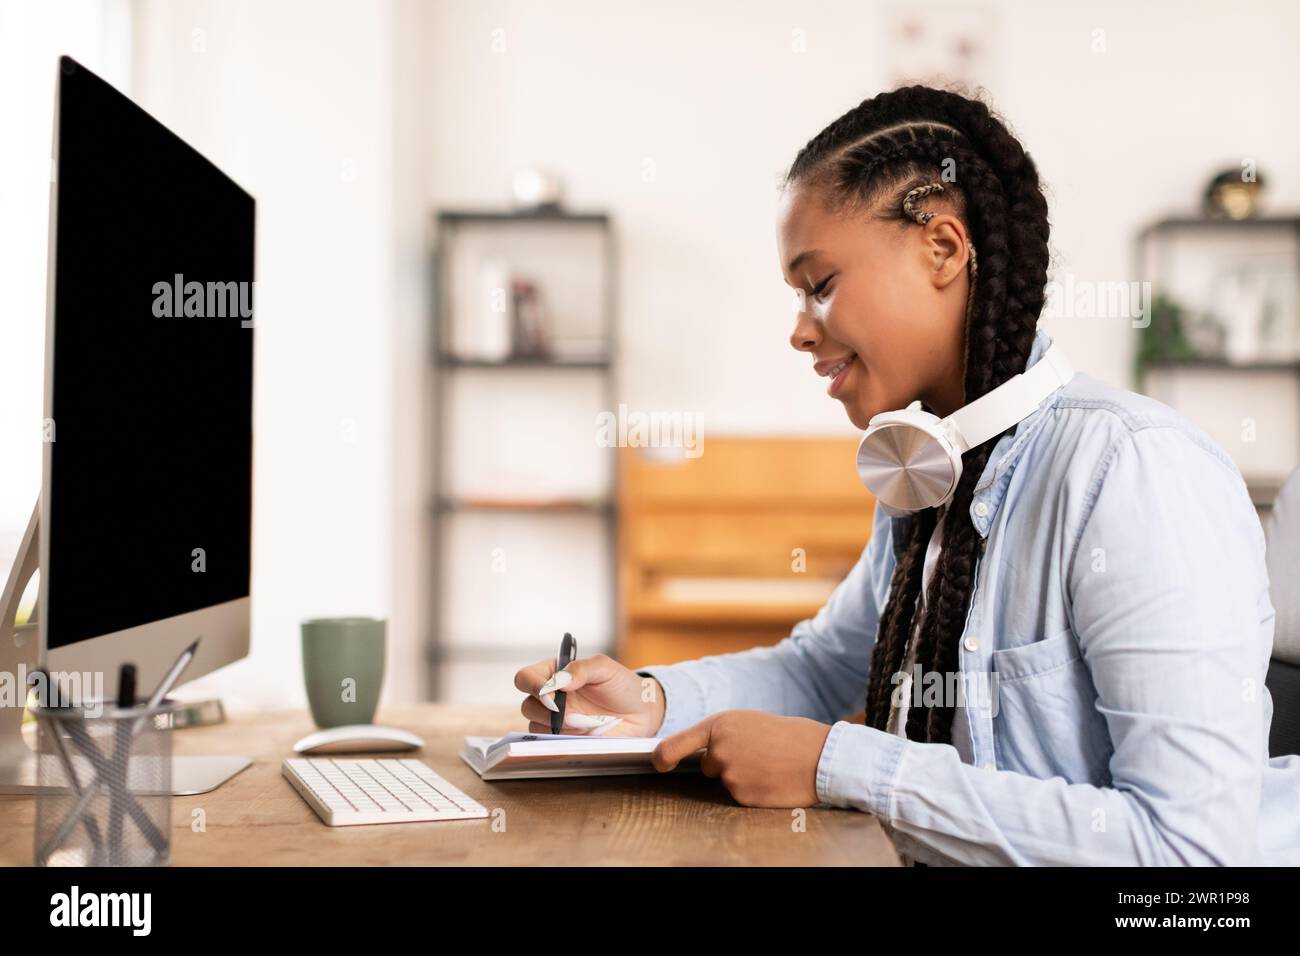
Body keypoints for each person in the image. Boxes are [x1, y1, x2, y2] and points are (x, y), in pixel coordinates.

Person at [515, 85, 1300, 866]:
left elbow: (1196, 857)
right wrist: (649, 700)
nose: (798, 329)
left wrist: (837, 765)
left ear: (944, 250)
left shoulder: (1135, 472)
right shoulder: (929, 470)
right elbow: (822, 667)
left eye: (820, 286)